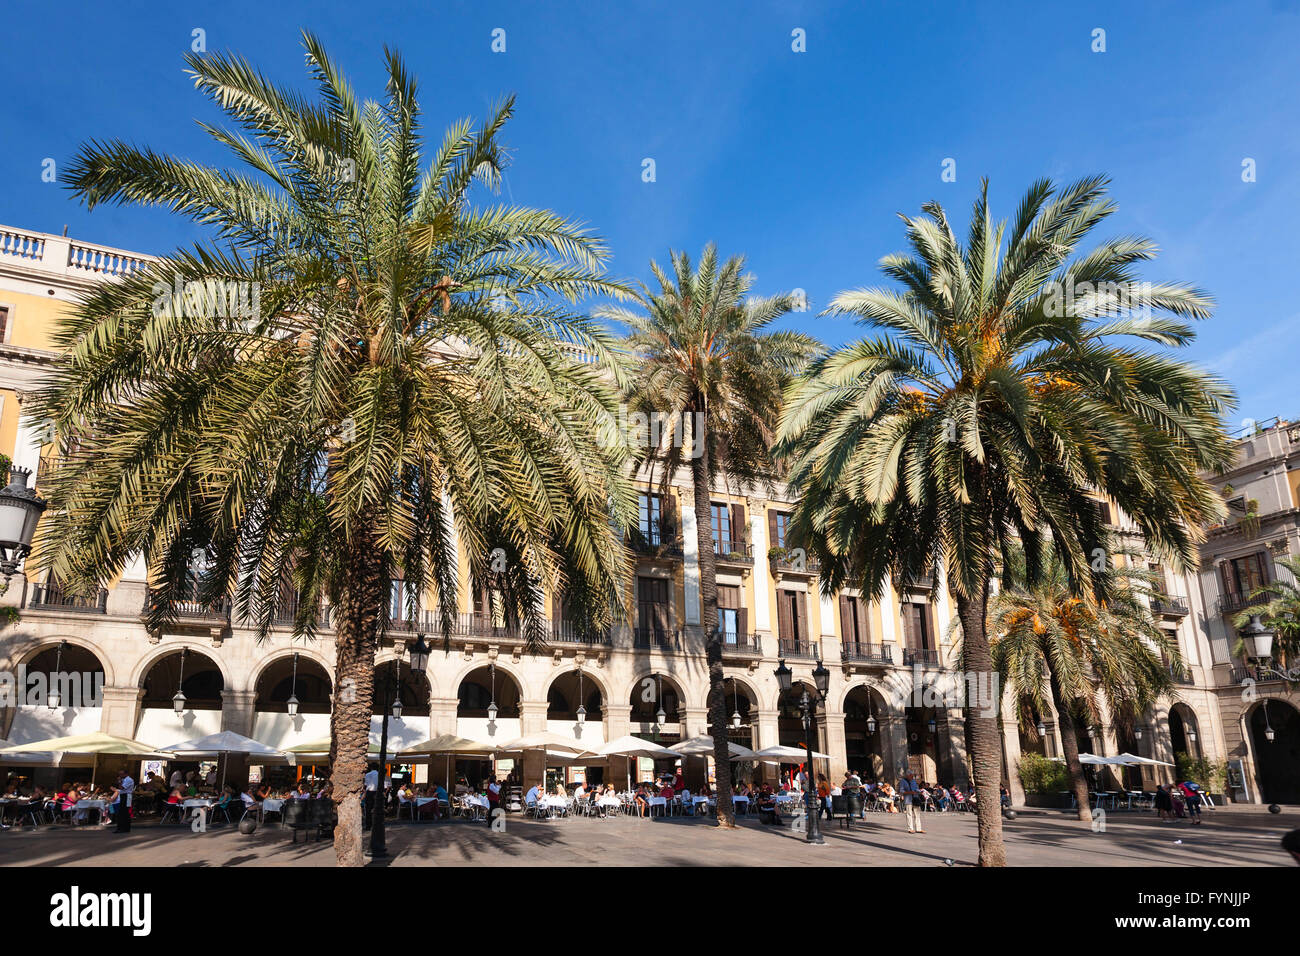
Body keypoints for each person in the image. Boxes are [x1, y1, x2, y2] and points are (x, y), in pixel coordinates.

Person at [110, 769, 134, 833]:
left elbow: (121, 788)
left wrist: (119, 782)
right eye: (119, 774)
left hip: (127, 796)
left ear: (126, 774)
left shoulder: (129, 780)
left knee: (125, 812)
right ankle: (121, 828)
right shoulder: (124, 780)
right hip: (123, 796)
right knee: (121, 812)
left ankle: (125, 828)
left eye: (121, 774)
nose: (120, 775)